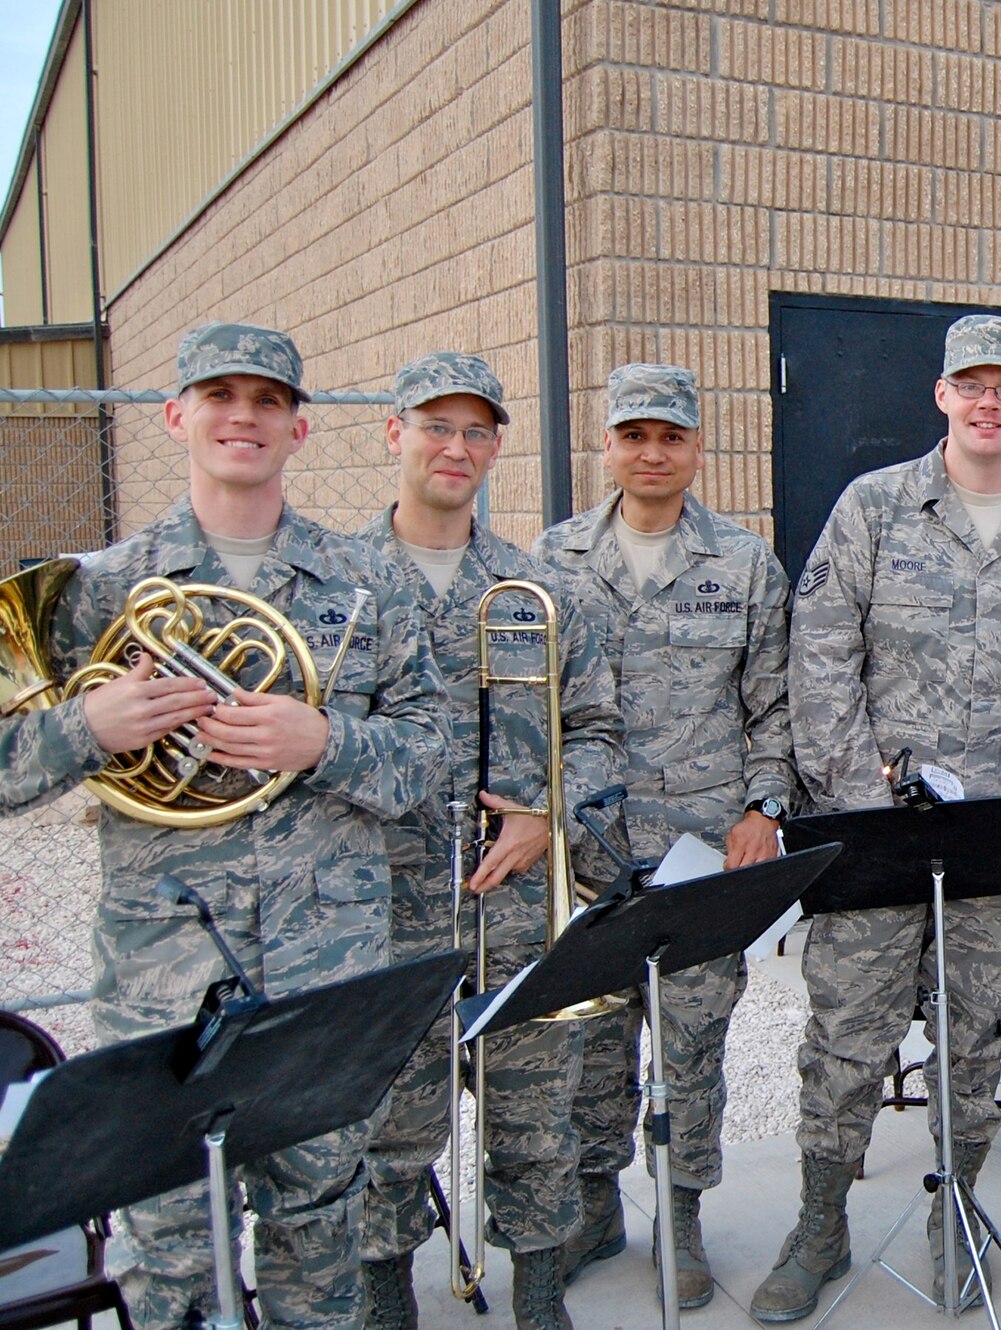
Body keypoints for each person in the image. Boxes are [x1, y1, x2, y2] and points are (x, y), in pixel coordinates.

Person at [31, 322, 446, 1330]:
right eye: (219, 397)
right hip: (166, 977)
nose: (242, 418)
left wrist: (325, 742)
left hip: (324, 965)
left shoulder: (369, 584)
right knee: (172, 1248)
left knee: (319, 1238)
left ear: (299, 429)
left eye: (266, 402)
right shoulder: (96, 593)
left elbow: (428, 757)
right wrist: (88, 726)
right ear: (177, 415)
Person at [754, 313, 1001, 1322]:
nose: (987, 401)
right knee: (846, 1033)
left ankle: (950, 1209)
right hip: (877, 823)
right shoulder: (873, 508)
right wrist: (861, 803)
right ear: (941, 395)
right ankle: (819, 1222)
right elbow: (819, 657)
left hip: (1000, 835)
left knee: (975, 1034)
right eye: (971, 383)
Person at [355, 353, 625, 1330]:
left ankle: (538, 1297)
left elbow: (596, 729)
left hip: (516, 913)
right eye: (434, 426)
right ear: (394, 434)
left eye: (476, 430)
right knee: (388, 1130)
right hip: (382, 918)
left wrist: (545, 807)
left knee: (535, 1120)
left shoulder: (536, 588)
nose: (455, 448)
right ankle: (387, 1299)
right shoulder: (336, 588)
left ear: (497, 446)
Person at [533, 363, 796, 1310]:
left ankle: (681, 1213)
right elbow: (530, 710)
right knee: (593, 1041)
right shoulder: (552, 562)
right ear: (606, 445)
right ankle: (596, 1207)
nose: (652, 453)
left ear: (696, 448)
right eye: (634, 435)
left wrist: (764, 809)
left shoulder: (744, 563)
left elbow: (775, 705)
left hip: (701, 848)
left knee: (692, 1040)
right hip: (590, 847)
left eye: (671, 437)